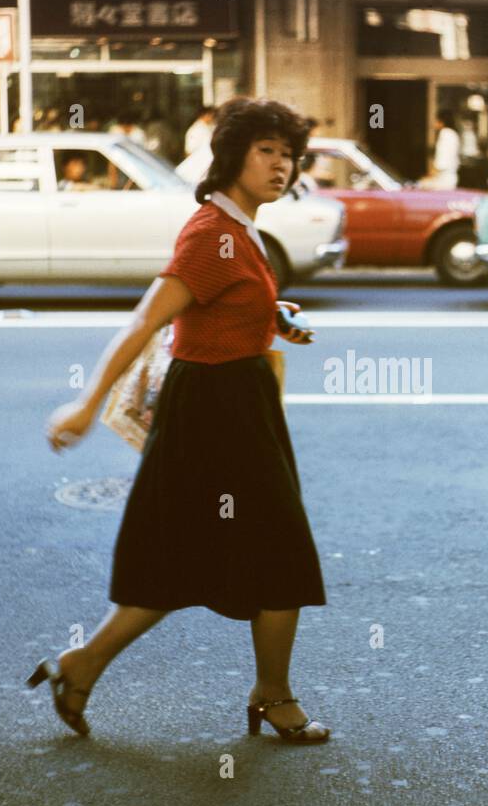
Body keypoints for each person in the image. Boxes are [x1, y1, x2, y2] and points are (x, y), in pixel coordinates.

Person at [37, 97, 330, 744]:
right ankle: (272, 694)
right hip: (216, 414)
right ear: (232, 156)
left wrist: (270, 315)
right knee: (279, 554)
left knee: (184, 558)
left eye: (289, 154)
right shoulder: (211, 233)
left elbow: (222, 299)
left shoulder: (239, 225)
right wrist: (86, 405)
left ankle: (81, 665)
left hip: (234, 403)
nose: (282, 165)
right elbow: (146, 319)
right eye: (267, 151)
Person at [423, 109, 461, 189]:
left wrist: (431, 174)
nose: (434, 123)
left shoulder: (445, 133)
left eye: (436, 120)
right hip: (451, 177)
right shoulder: (454, 134)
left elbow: (442, 159)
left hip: (442, 179)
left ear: (441, 121)